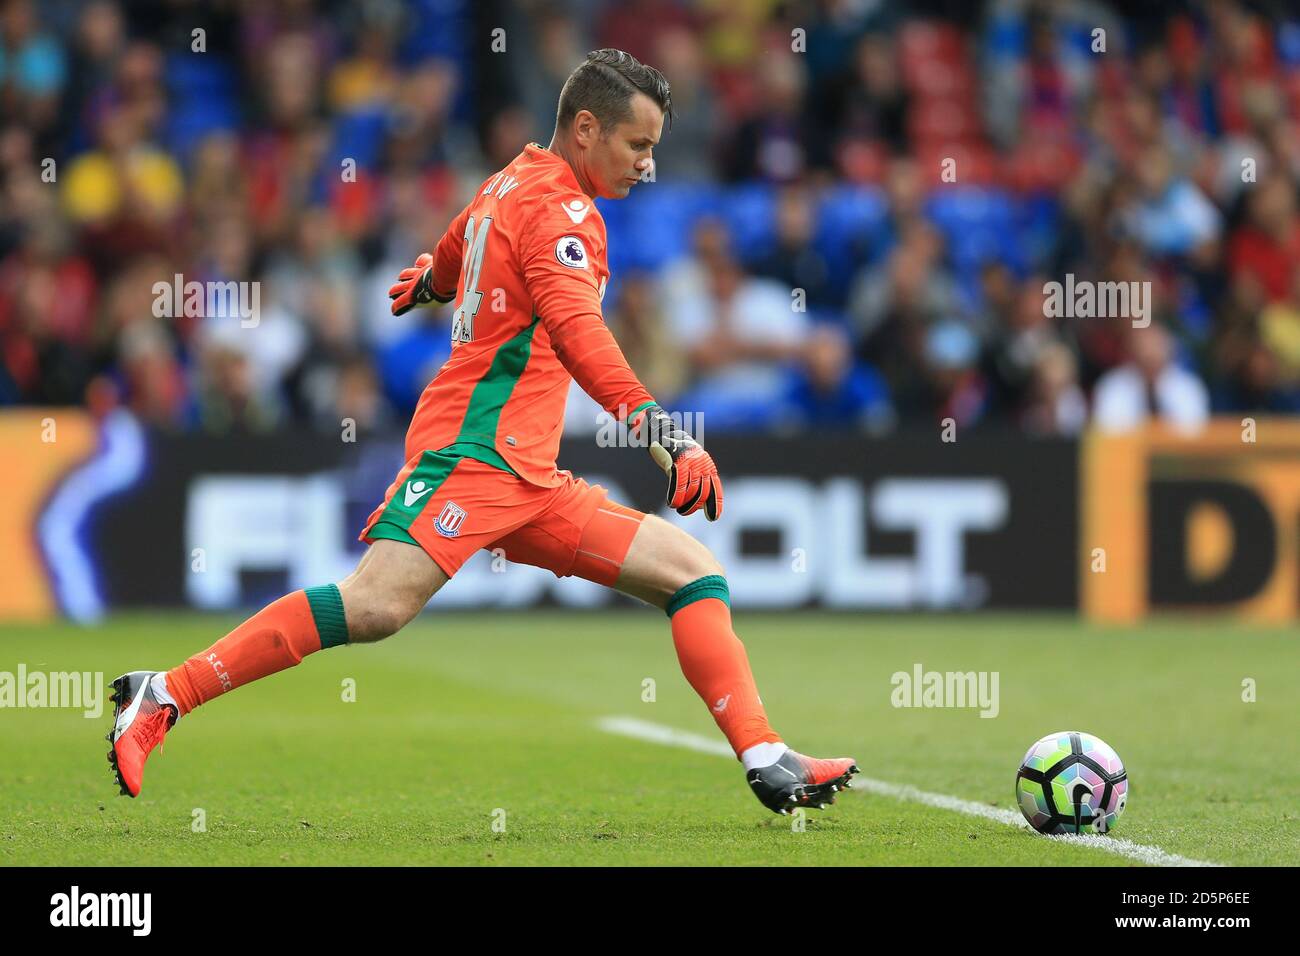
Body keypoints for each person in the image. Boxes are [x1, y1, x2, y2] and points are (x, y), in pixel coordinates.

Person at [107, 49, 857, 816]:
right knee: (374, 607)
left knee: (691, 572)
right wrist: (667, 432)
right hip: (475, 453)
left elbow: (462, 239)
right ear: (587, 128)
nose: (648, 164)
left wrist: (432, 277)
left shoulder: (512, 179)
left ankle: (767, 756)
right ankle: (165, 694)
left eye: (655, 148)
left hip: (529, 474)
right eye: (638, 145)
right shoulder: (563, 211)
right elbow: (577, 332)